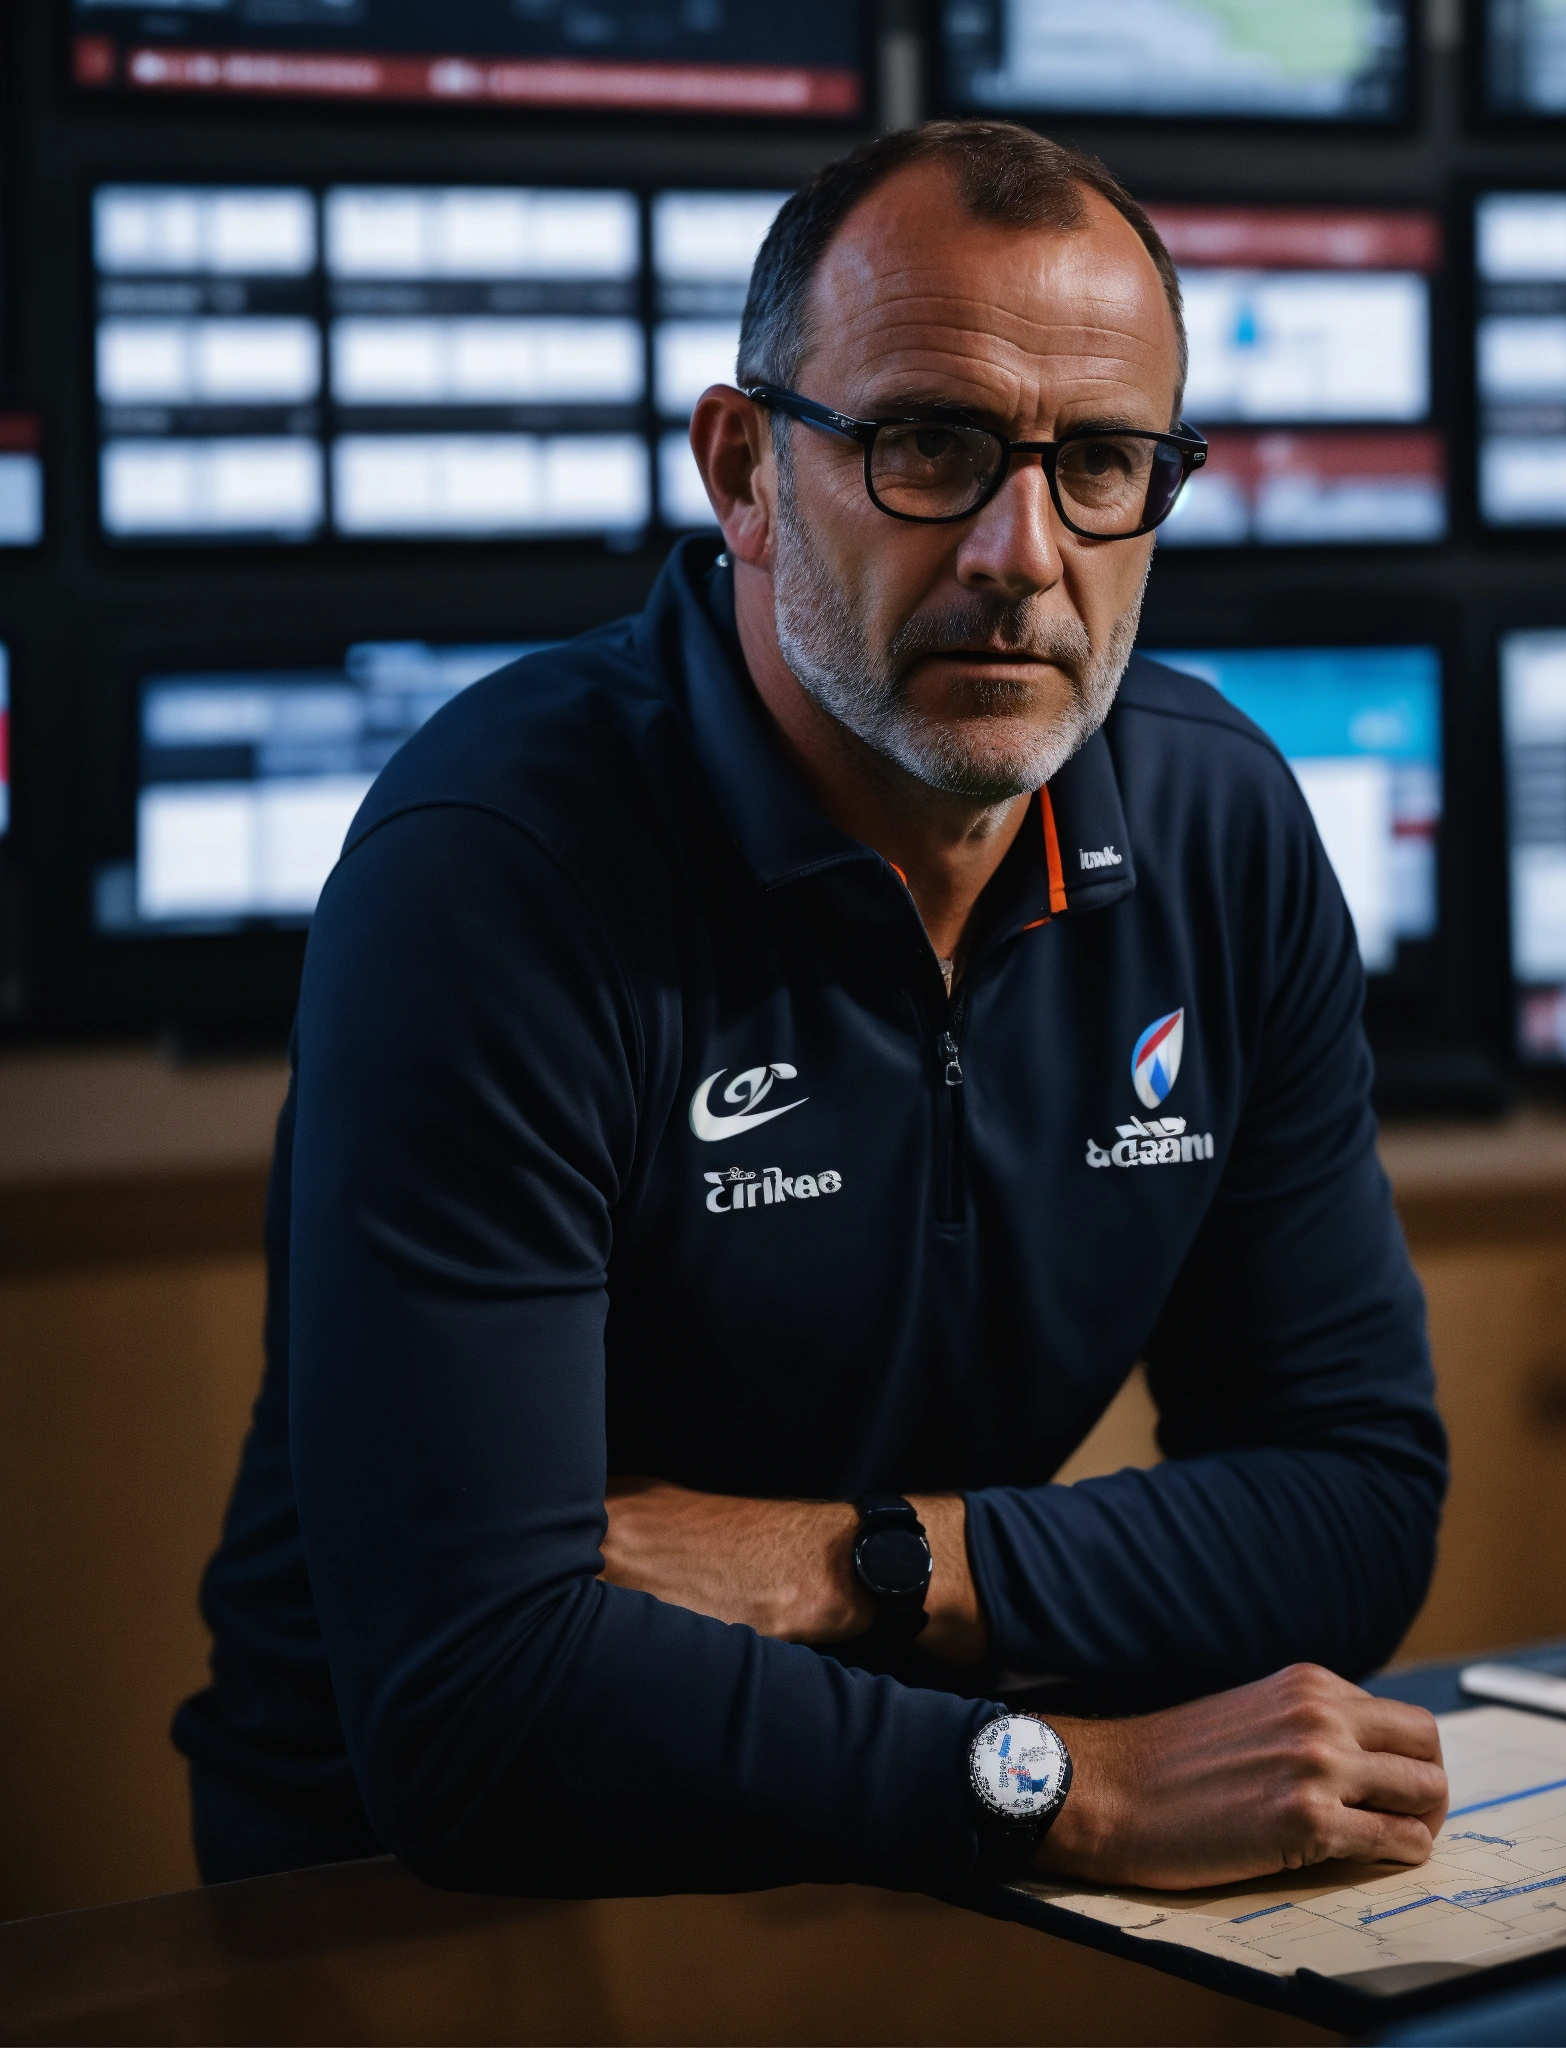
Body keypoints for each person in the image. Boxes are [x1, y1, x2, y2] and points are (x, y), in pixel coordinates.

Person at [174, 119, 1450, 1899]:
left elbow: (1358, 1504)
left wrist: (866, 1565)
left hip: (917, 1856)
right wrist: (1070, 1786)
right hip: (414, 1910)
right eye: (930, 445)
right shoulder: (494, 868)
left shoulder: (1222, 828)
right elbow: (482, 1701)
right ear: (744, 468)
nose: (1024, 550)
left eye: (1100, 462)